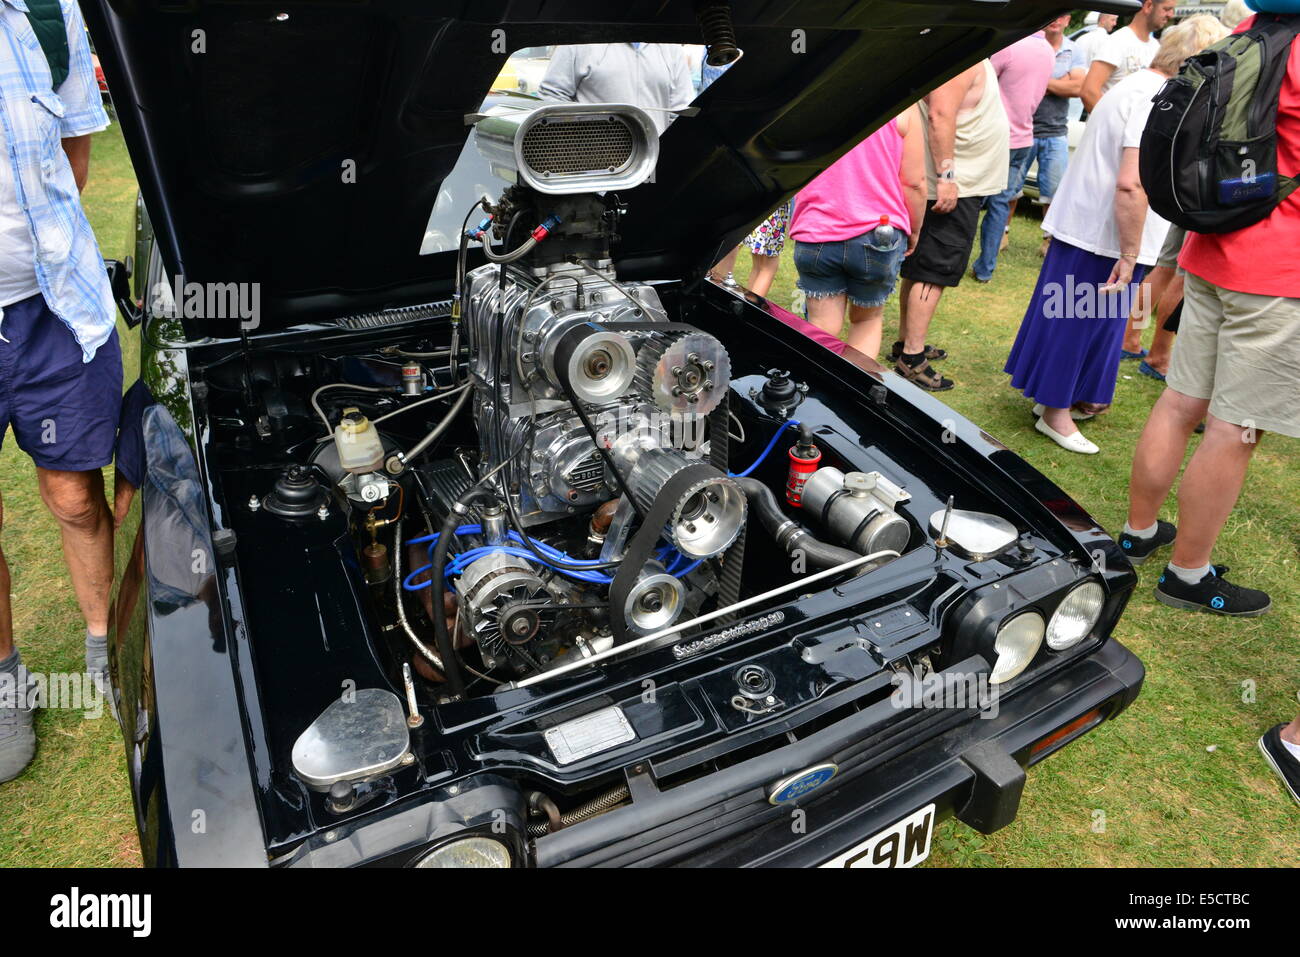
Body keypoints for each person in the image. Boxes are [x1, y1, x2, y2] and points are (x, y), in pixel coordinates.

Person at [1120, 6, 1298, 621]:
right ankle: (1188, 574)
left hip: (1212, 251)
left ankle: (1139, 533)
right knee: (1235, 427)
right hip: (1278, 272)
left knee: (1179, 401)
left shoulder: (1250, 37)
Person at [1003, 18, 1227, 455]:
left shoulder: (1135, 87)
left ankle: (1062, 399)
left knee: (1082, 320)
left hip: (1094, 229)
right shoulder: (1153, 98)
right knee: (1077, 320)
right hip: (1103, 235)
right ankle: (1055, 411)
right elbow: (1131, 182)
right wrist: (1128, 251)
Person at [0, 0, 119, 783]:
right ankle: (6, 683)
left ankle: (102, 643)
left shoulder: (49, 12)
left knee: (74, 492)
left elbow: (73, 165)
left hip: (53, 308)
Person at [896, 61, 1009, 391]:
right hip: (954, 187)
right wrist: (947, 178)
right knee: (935, 269)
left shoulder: (972, 52)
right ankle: (912, 359)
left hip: (960, 184)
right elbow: (940, 115)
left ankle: (907, 342)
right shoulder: (964, 59)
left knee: (923, 267)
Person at [790, 106, 927, 357]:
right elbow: (915, 182)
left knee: (821, 327)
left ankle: (814, 390)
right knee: (866, 321)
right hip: (878, 234)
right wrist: (915, 230)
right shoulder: (905, 106)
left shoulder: (820, 97)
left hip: (816, 228)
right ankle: (852, 393)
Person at [971, 31, 1054, 282]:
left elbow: (979, 81)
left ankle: (956, 259)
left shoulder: (1009, 47)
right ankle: (985, 268)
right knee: (1000, 203)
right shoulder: (1048, 51)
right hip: (1024, 137)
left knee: (971, 199)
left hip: (995, 137)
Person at [540, 43, 694, 135]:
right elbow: (551, 98)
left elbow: (681, 112)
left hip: (654, 163)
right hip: (596, 164)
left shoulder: (670, 47)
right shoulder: (580, 40)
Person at [1031, 15, 1086, 257]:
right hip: (1025, 128)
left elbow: (1077, 88)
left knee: (1053, 191)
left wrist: (1040, 79)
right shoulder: (1030, 43)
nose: (1055, 20)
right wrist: (1060, 82)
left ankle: (1048, 241)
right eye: (1052, 14)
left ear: (1068, 20)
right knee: (1011, 189)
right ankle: (1004, 233)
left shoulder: (1074, 50)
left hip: (1056, 130)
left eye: (1062, 15)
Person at [1081, 0, 1177, 112]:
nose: (1171, 15)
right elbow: (1089, 92)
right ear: (1148, 6)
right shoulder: (1118, 41)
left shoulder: (1156, 47)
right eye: (1166, 9)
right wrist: (1113, 126)